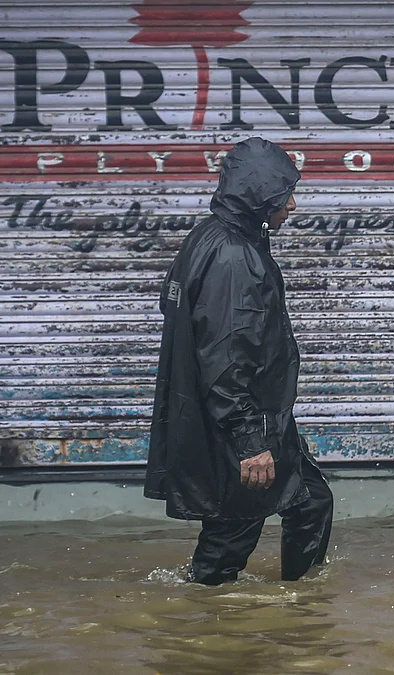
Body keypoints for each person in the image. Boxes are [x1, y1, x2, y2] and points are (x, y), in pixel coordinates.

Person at [145, 137, 333, 585]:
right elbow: (226, 355)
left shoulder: (213, 237)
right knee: (227, 544)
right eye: (284, 192)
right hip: (238, 429)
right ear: (259, 195)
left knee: (310, 502)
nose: (292, 204)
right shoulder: (233, 257)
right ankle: (205, 633)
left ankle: (302, 607)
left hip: (254, 419)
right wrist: (250, 441)